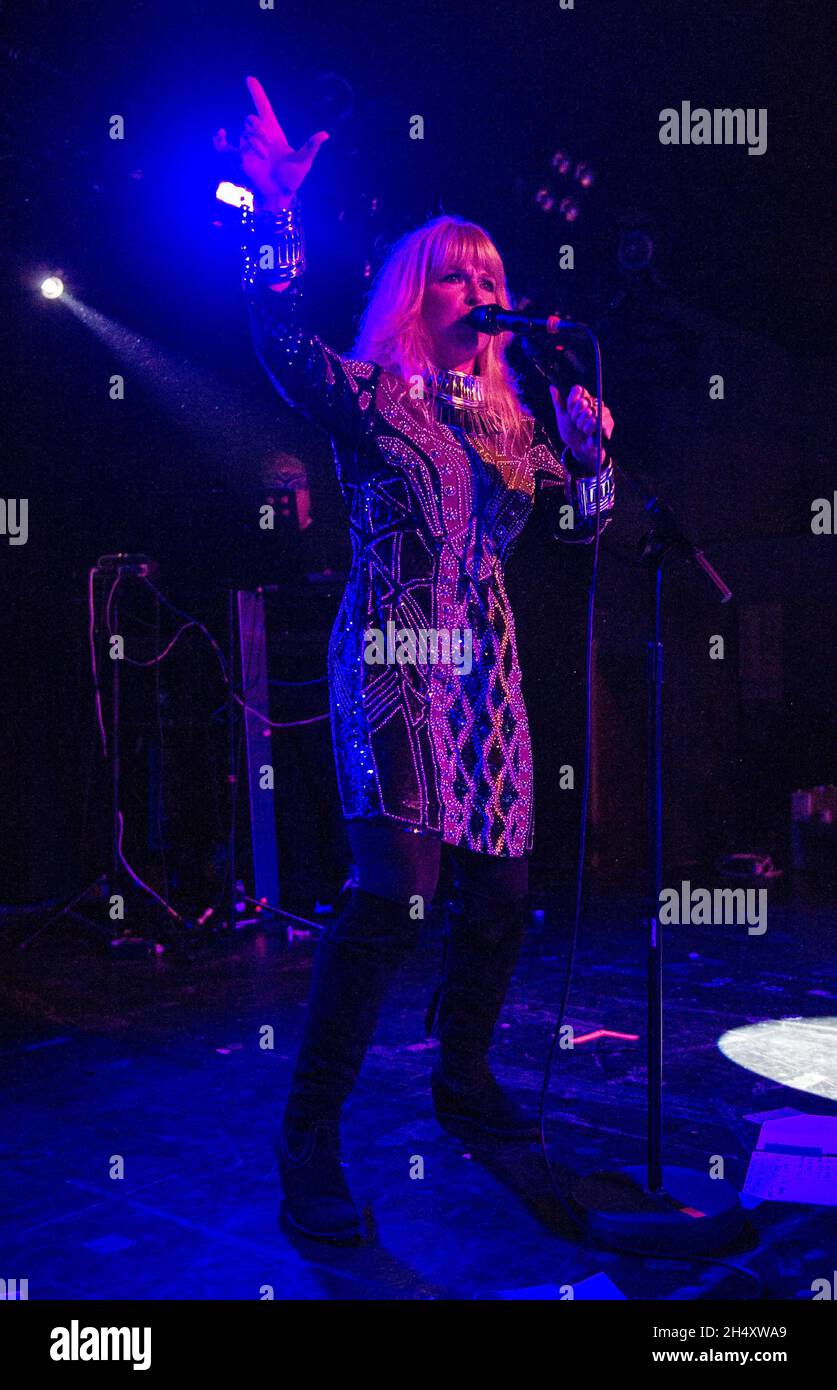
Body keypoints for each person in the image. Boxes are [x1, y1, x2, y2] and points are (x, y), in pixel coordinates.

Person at [215, 76, 616, 1244]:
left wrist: (589, 459)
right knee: (394, 891)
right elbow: (279, 338)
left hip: (485, 668)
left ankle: (465, 1077)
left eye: (493, 276)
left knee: (499, 892)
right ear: (413, 291)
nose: (483, 291)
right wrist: (275, 217)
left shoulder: (508, 424)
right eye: (458, 273)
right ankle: (310, 1135)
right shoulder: (375, 393)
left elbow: (584, 529)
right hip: (397, 648)